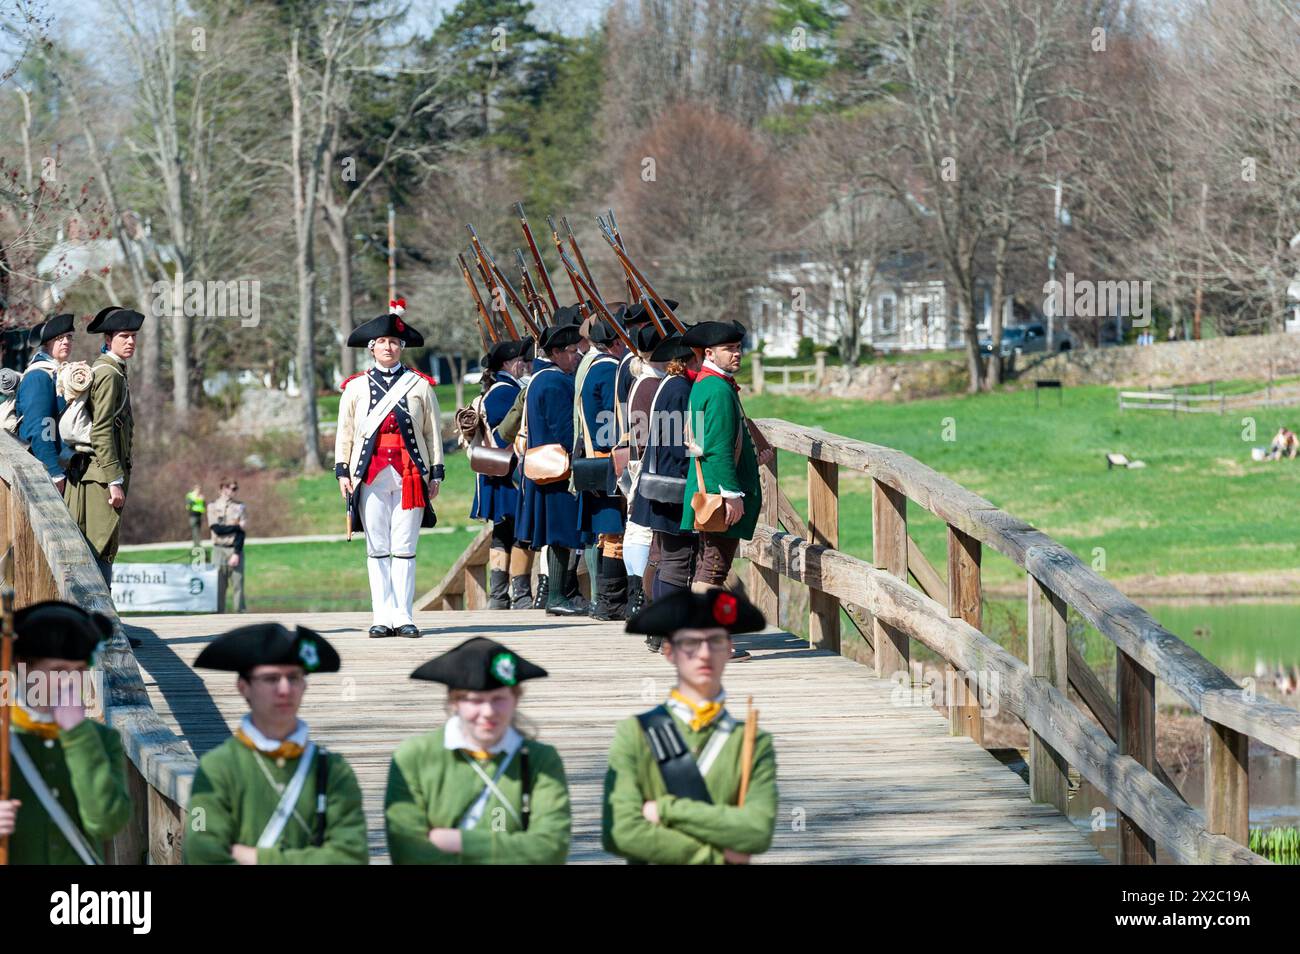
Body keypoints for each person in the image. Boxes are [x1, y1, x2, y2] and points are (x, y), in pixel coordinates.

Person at [602, 588, 777, 864]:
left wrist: (665, 810)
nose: (705, 654)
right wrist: (716, 853)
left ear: (728, 647)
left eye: (716, 641)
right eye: (692, 643)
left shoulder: (752, 742)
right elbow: (620, 833)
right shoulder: (635, 734)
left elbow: (757, 832)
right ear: (669, 651)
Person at [184, 623, 368, 864]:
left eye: (294, 677)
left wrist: (256, 858)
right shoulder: (216, 768)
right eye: (271, 679)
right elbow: (202, 853)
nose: (285, 689)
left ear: (305, 685)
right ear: (244, 687)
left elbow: (352, 857)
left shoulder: (333, 770)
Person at [384, 637, 571, 864]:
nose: (488, 712)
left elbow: (551, 848)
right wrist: (515, 848)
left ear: (516, 698)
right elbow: (408, 852)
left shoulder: (541, 760)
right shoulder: (414, 757)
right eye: (474, 700)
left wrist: (458, 841)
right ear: (454, 702)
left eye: (498, 699)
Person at [335, 306, 443, 639]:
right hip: (369, 476)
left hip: (410, 476)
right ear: (372, 348)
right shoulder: (355, 388)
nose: (387, 347)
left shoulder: (419, 386)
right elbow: (346, 433)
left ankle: (403, 615)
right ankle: (381, 615)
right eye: (381, 341)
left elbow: (431, 433)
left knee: (405, 548)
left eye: (394, 342)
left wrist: (435, 472)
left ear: (402, 347)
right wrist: (343, 471)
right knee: (377, 548)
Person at [0, 600, 130, 864]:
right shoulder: (4, 735)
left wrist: (78, 734)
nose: (70, 682)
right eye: (57, 671)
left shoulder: (103, 740)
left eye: (79, 670)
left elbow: (106, 823)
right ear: (22, 667)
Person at [679, 321, 773, 616]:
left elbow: (699, 442)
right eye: (728, 349)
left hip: (707, 489)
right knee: (714, 570)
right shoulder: (718, 390)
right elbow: (717, 448)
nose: (737, 354)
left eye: (737, 348)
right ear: (709, 353)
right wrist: (732, 493)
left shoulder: (705, 383)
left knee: (709, 566)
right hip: (719, 496)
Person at [631, 333, 699, 649]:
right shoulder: (680, 390)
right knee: (676, 561)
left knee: (664, 558)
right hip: (673, 488)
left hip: (661, 484)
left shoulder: (669, 385)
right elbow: (676, 447)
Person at [65, 306, 141, 586]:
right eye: (124, 336)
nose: (131, 341)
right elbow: (102, 430)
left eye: (133, 336)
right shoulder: (108, 372)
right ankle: (103, 627)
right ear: (109, 340)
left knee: (102, 549)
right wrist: (114, 479)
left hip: (99, 474)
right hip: (100, 478)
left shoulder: (114, 369)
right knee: (99, 548)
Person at [517, 322, 587, 616]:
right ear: (556, 352)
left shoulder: (541, 379)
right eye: (571, 351)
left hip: (545, 466)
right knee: (560, 534)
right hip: (557, 468)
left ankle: (557, 596)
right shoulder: (555, 382)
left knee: (558, 535)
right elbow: (565, 430)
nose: (576, 356)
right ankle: (557, 597)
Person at [470, 338, 535, 610]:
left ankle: (500, 595)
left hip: (499, 471)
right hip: (507, 471)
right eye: (520, 360)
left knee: (504, 531)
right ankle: (516, 594)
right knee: (518, 530)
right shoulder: (504, 391)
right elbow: (502, 433)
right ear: (509, 363)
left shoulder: (501, 389)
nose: (524, 364)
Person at [576, 316, 630, 620]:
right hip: (608, 459)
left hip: (600, 457)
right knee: (614, 535)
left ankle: (607, 602)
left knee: (608, 534)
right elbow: (612, 422)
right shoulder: (609, 370)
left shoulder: (594, 368)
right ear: (616, 343)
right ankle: (611, 603)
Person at [620, 322, 666, 621]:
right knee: (641, 530)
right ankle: (639, 595)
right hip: (647, 463)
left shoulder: (647, 379)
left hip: (642, 461)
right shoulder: (651, 383)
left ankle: (638, 594)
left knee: (639, 529)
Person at [17, 313, 74, 493]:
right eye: (59, 338)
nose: (66, 342)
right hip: (44, 471)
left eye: (69, 337)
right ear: (47, 343)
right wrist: (54, 471)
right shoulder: (39, 376)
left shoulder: (58, 373)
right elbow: (39, 428)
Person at [209, 478, 247, 614]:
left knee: (238, 585)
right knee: (219, 585)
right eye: (230, 488)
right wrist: (235, 527)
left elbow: (241, 533)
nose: (233, 491)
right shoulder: (212, 506)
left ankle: (240, 614)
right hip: (218, 549)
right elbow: (217, 529)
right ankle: (218, 616)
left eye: (235, 488)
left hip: (234, 549)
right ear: (222, 489)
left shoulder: (240, 506)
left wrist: (236, 553)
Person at [186, 484, 206, 548]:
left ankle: (197, 543)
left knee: (198, 530)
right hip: (193, 515)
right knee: (195, 530)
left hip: (199, 515)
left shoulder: (201, 496)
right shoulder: (190, 496)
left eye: (200, 489)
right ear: (195, 489)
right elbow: (188, 505)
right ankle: (196, 544)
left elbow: (203, 505)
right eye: (197, 489)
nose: (199, 490)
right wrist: (196, 500)